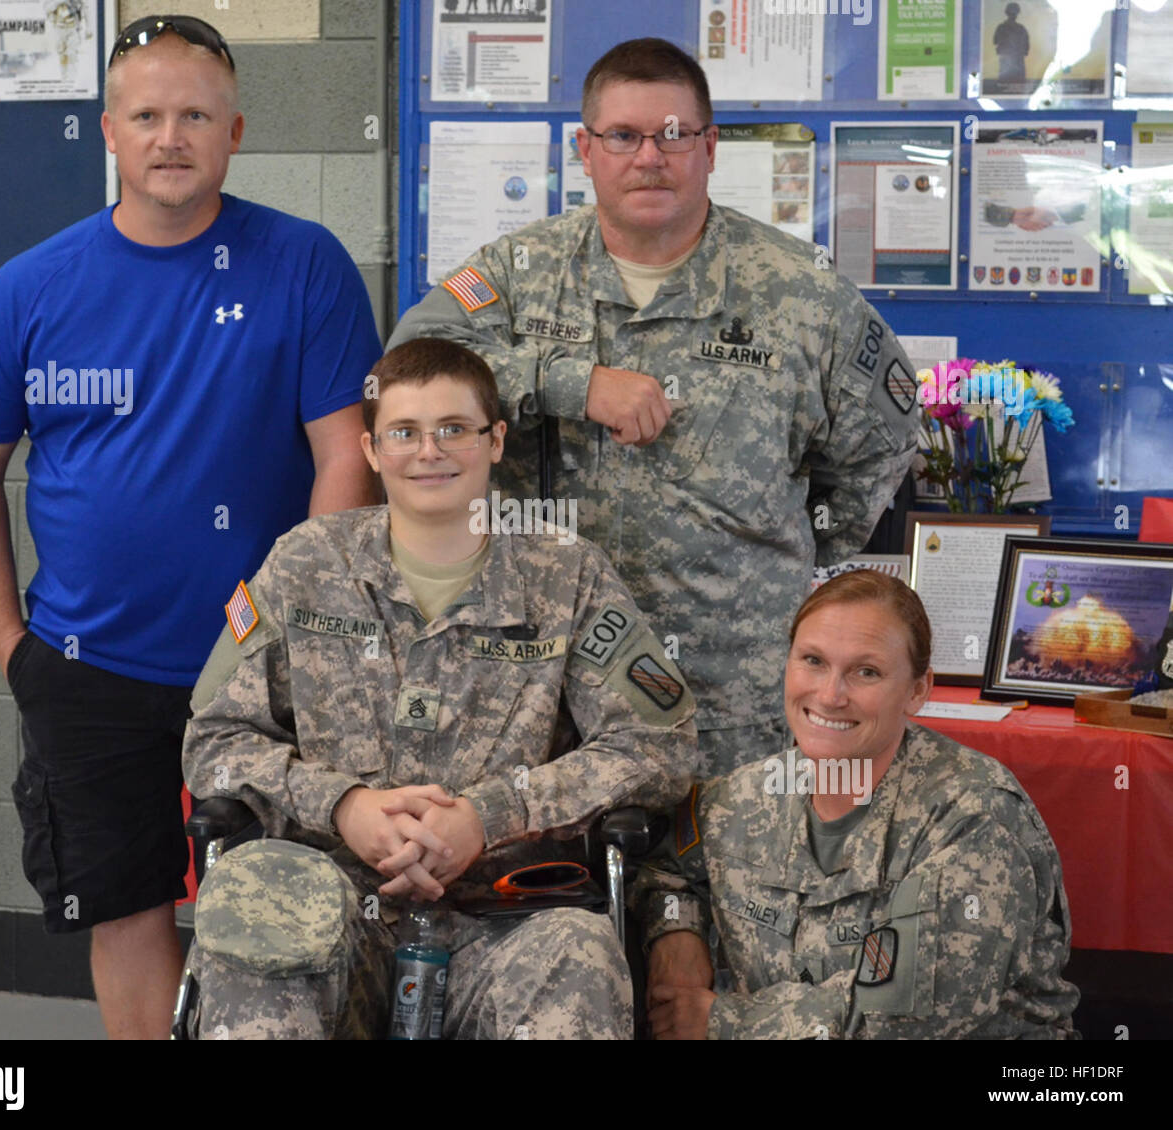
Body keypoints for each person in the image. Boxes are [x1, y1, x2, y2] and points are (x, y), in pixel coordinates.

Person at [0, 15, 381, 1039]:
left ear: (235, 132)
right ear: (108, 132)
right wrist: (15, 651)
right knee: (127, 910)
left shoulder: (305, 264)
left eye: (195, 115)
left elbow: (343, 455)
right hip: (86, 670)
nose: (170, 136)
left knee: (280, 914)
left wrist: (285, 628)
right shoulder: (27, 289)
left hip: (263, 671)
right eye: (146, 115)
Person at [389, 37, 919, 774]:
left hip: (729, 700)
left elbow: (880, 448)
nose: (649, 156)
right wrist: (573, 383)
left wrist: (774, 560)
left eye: (673, 135)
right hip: (542, 694)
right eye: (624, 136)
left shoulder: (801, 294)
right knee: (547, 890)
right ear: (585, 148)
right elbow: (402, 374)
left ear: (709, 147)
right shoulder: (519, 274)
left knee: (734, 886)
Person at [180, 337, 698, 1039]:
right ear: (370, 450)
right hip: (332, 915)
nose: (430, 452)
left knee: (581, 954)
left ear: (496, 441)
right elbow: (214, 738)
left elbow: (659, 746)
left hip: (507, 922)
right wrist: (344, 806)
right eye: (406, 433)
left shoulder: (568, 574)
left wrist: (489, 816)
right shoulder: (305, 562)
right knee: (256, 905)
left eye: (455, 429)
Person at [632, 570, 1080, 1039]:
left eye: (866, 672)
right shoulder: (739, 799)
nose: (830, 695)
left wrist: (720, 1023)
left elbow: (905, 1017)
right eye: (813, 661)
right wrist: (675, 936)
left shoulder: (974, 816)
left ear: (918, 690)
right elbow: (669, 872)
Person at [994, 3, 1031, 85]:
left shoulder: (1001, 27)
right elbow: (1026, 47)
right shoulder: (1020, 28)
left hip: (1010, 62)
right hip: (1013, 62)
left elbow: (995, 42)